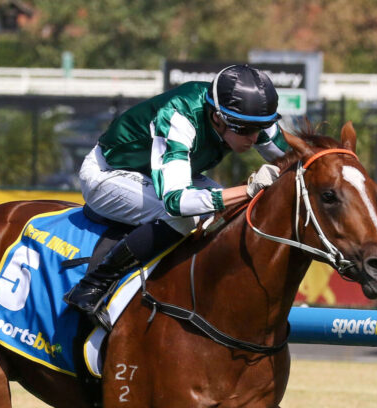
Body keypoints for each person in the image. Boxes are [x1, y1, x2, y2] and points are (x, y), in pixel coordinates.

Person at [63, 64, 290, 328]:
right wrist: (248, 189)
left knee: (232, 214)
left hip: (159, 173)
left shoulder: (246, 114)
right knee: (188, 218)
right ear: (216, 117)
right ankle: (93, 286)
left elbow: (294, 159)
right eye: (243, 129)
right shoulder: (180, 115)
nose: (253, 138)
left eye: (260, 128)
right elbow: (176, 203)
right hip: (109, 174)